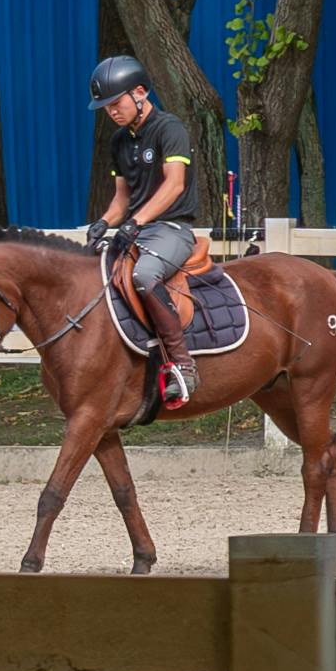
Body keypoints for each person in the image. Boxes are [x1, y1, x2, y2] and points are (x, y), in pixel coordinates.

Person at [85, 53, 207, 416]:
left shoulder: (170, 129)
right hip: (135, 229)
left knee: (144, 275)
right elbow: (121, 199)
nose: (111, 112)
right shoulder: (119, 142)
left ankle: (182, 363)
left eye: (116, 102)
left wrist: (135, 222)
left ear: (140, 92)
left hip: (172, 229)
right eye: (105, 107)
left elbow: (174, 186)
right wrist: (103, 223)